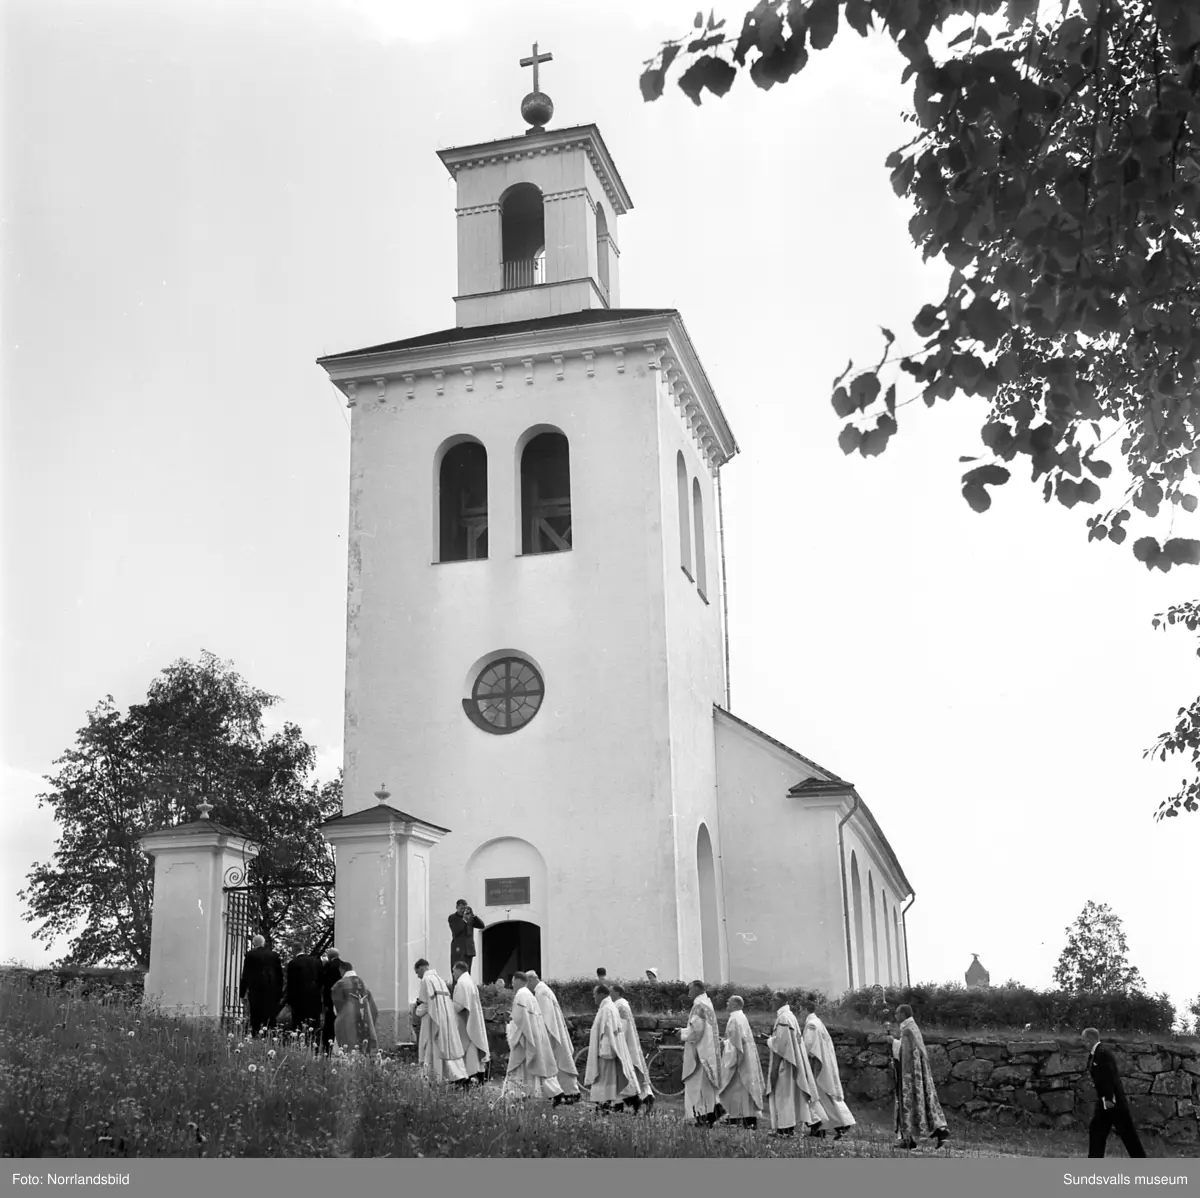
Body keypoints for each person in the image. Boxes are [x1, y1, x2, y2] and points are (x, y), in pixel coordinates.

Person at [767, 990, 828, 1137]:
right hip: (793, 1061)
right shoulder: (790, 1016)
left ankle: (785, 1129)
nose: (771, 1002)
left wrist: (768, 1041)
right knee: (799, 1096)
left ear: (781, 1001)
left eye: (774, 999)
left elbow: (781, 1045)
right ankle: (816, 1124)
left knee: (785, 1095)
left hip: (786, 1063)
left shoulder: (783, 1019)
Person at [890, 1004, 949, 1151]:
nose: (895, 1016)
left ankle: (908, 1140)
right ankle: (939, 1130)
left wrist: (892, 1042)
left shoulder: (907, 1029)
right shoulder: (912, 1027)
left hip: (910, 1075)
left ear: (903, 1014)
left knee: (908, 1104)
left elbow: (906, 1053)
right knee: (925, 1102)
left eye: (897, 1013)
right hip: (918, 1073)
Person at [1083, 1027, 1146, 1158]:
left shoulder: (1103, 1052)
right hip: (1104, 1102)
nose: (1083, 1043)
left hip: (1113, 1102)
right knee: (1096, 1131)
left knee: (1128, 1134)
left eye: (1084, 1040)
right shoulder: (1097, 1053)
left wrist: (1108, 1098)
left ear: (1090, 1039)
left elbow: (1109, 1076)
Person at [504, 971, 565, 1103]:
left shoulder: (521, 995)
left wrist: (510, 1026)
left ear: (518, 980)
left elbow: (520, 1020)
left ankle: (519, 1094)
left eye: (513, 981)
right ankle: (548, 1093)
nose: (512, 984)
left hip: (524, 1038)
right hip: (533, 1035)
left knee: (524, 1067)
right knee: (535, 1068)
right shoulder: (529, 995)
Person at [801, 999, 856, 1139]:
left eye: (801, 1009)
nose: (799, 1013)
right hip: (824, 1063)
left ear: (805, 1009)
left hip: (816, 1065)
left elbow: (808, 1047)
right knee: (825, 1098)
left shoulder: (811, 1025)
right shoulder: (818, 1023)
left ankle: (838, 1125)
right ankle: (823, 1128)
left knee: (818, 1097)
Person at [527, 971, 582, 1104]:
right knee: (561, 1063)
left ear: (531, 980)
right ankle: (567, 1093)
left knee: (561, 1064)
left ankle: (571, 1093)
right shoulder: (543, 990)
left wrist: (540, 1033)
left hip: (553, 1034)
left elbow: (544, 1016)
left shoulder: (541, 993)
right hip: (555, 1032)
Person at [584, 983, 639, 1113]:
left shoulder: (607, 1009)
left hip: (605, 1052)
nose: (593, 998)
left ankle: (604, 1105)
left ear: (602, 994)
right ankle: (614, 1104)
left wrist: (605, 1050)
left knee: (603, 1079)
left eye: (595, 995)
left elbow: (608, 1030)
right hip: (606, 1050)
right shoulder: (608, 1007)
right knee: (607, 1079)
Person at [413, 958, 468, 1084]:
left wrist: (417, 1011)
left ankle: (433, 1079)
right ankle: (456, 1075)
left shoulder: (426, 980)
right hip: (445, 1019)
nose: (418, 976)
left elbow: (425, 1004)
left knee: (431, 1049)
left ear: (422, 969)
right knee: (446, 1049)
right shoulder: (440, 980)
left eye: (418, 973)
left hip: (432, 1021)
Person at [679, 979, 723, 1127]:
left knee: (696, 1087)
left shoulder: (699, 1005)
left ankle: (702, 1117)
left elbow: (696, 1030)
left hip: (699, 1053)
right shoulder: (707, 1004)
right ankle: (710, 1113)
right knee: (705, 1087)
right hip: (707, 1050)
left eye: (690, 990)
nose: (689, 993)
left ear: (698, 989)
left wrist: (681, 1033)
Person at [718, 995, 764, 1129]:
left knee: (735, 1089)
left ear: (734, 1005)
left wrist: (723, 1044)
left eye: (728, 1002)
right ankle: (745, 1119)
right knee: (742, 1092)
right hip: (746, 1058)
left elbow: (734, 1044)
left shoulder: (734, 1019)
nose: (726, 1003)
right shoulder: (741, 1017)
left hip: (739, 1059)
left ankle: (737, 1119)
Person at [611, 983, 654, 1112]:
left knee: (628, 1072)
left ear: (617, 993)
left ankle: (643, 1098)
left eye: (611, 992)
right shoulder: (620, 1005)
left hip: (625, 1043)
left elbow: (622, 1026)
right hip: (625, 1043)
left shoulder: (621, 1006)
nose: (609, 994)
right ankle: (639, 1098)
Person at [451, 960, 491, 1085]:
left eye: (453, 971)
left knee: (468, 1056)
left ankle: (468, 1081)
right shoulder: (469, 981)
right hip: (470, 1022)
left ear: (458, 970)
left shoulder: (462, 983)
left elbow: (458, 1006)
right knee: (471, 1054)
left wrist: (447, 1005)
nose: (453, 974)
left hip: (465, 1024)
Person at [330, 959, 379, 1054]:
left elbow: (337, 1010)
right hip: (365, 1021)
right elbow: (374, 1009)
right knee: (363, 1049)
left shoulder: (340, 985)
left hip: (348, 1023)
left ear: (341, 970)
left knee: (346, 1050)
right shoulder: (363, 984)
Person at [239, 934, 284, 1037]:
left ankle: (256, 1036)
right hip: (271, 991)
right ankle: (271, 1038)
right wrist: (279, 993)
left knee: (255, 1016)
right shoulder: (274, 955)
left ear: (254, 944)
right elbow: (279, 976)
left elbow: (245, 975)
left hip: (256, 991)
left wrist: (242, 993)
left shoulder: (250, 955)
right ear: (263, 943)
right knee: (270, 1016)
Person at [283, 947, 323, 1041]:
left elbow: (291, 984)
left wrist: (289, 1000)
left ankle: (300, 1046)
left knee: (299, 1026)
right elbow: (321, 980)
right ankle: (314, 1047)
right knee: (314, 1026)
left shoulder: (293, 963)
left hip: (298, 1000)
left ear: (294, 951)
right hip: (314, 998)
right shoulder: (316, 962)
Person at [448, 899, 485, 978]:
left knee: (467, 973)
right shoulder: (452, 918)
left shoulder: (469, 917)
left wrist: (474, 915)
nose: (462, 911)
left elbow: (482, 925)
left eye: (464, 908)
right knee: (457, 972)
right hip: (458, 950)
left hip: (469, 950)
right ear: (456, 908)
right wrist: (464, 920)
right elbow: (456, 931)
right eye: (461, 908)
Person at [319, 948, 342, 1053]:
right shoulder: (344, 965)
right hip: (342, 1000)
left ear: (329, 956)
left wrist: (326, 1003)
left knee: (329, 1025)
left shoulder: (328, 967)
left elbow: (327, 985)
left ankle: (327, 1047)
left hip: (331, 1000)